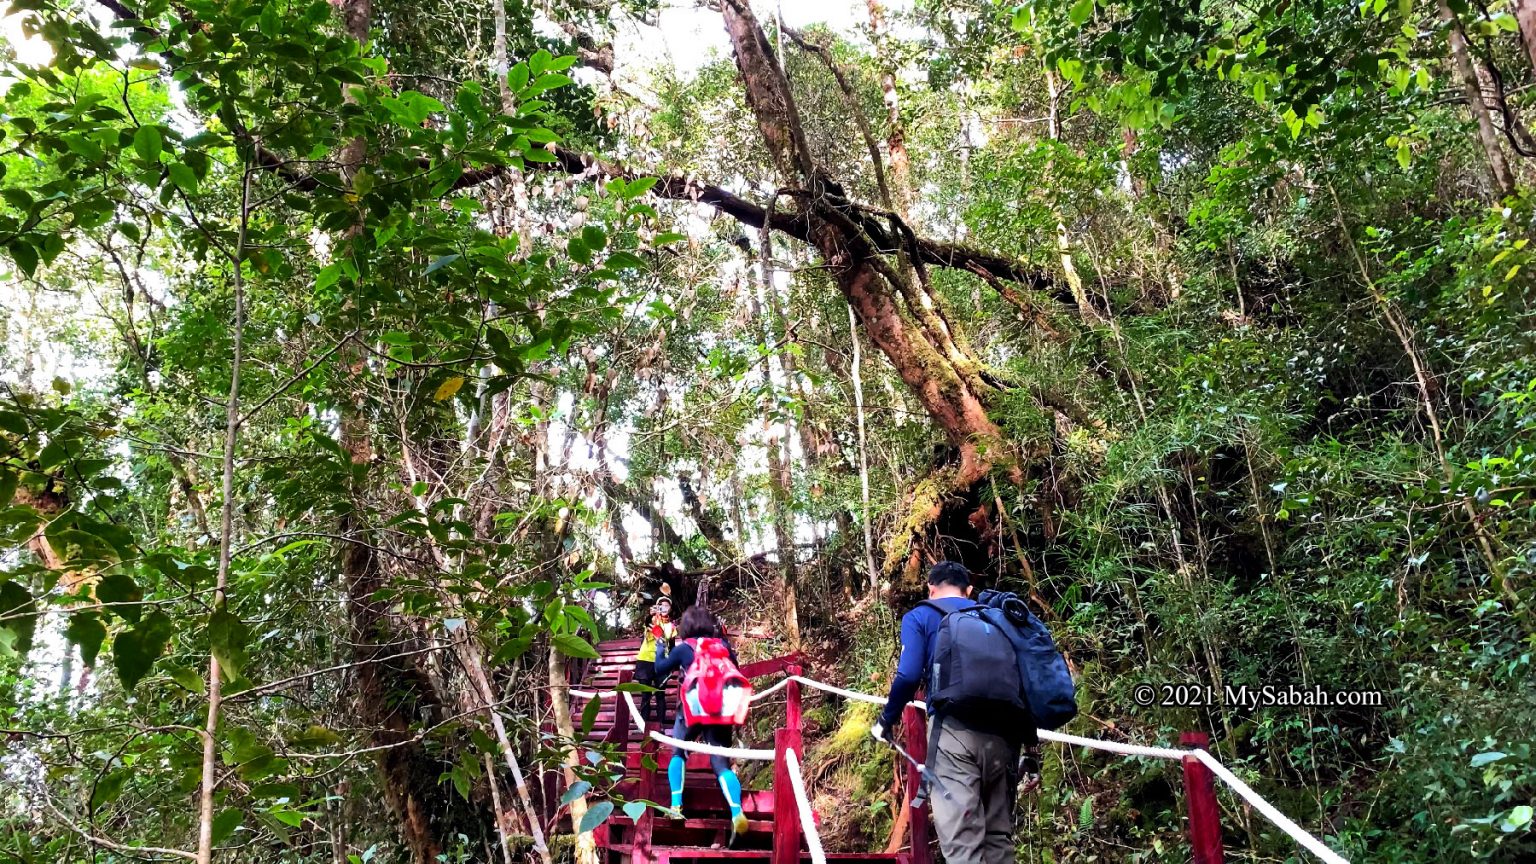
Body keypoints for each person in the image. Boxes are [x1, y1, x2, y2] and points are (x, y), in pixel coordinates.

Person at [872, 561, 1037, 864]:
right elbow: (1024, 683)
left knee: (963, 842)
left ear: (931, 588)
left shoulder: (920, 615)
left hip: (954, 736)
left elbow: (908, 677)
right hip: (1005, 739)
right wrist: (1032, 748)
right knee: (999, 837)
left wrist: (886, 719)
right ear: (969, 590)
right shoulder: (997, 619)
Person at [652, 604, 748, 843]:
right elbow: (735, 669)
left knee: (678, 751)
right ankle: (737, 812)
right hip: (720, 713)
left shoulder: (685, 648)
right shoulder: (723, 646)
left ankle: (676, 805)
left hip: (692, 711)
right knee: (721, 764)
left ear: (686, 627)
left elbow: (659, 670)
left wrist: (660, 650)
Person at [632, 595, 675, 726]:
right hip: (645, 660)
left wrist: (672, 664)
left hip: (661, 661)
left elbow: (672, 646)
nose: (663, 608)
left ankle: (660, 724)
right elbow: (647, 623)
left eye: (666, 605)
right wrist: (651, 614)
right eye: (660, 605)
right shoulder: (652, 621)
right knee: (645, 695)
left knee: (660, 695)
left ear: (670, 609)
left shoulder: (671, 626)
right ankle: (643, 725)